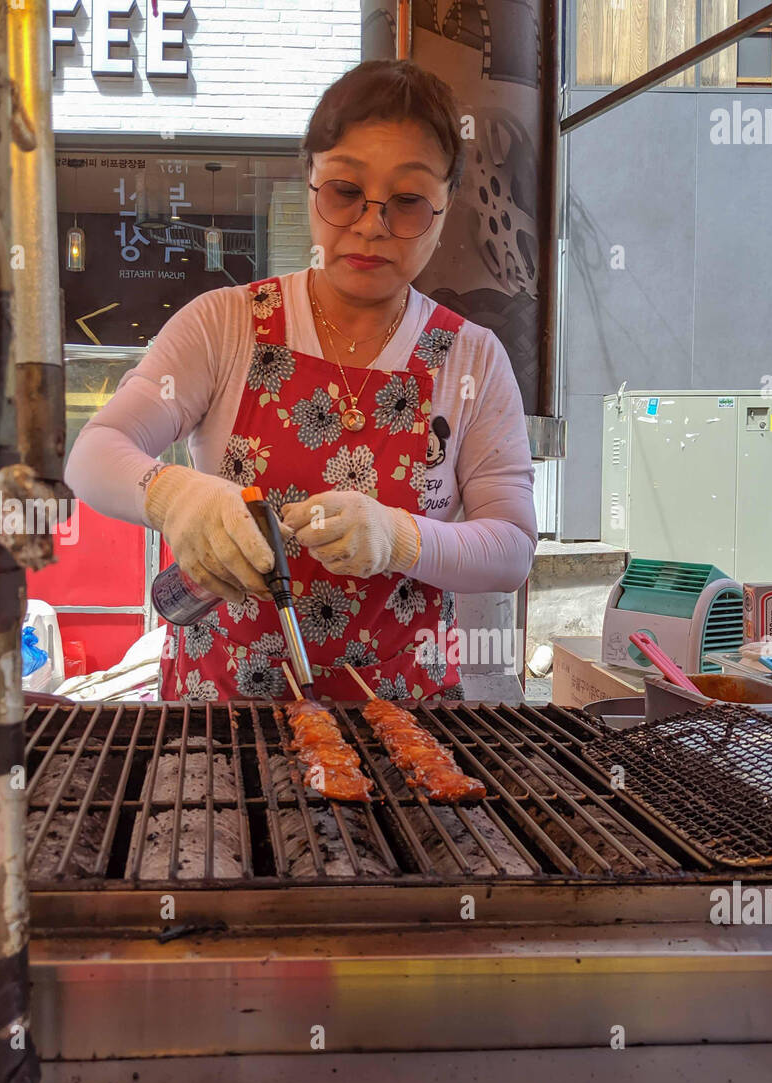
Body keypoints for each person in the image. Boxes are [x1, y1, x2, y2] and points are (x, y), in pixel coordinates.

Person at [65, 59, 537, 701]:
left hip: (399, 718)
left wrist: (399, 537)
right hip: (223, 716)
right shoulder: (224, 324)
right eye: (345, 191)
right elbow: (94, 454)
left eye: (407, 201)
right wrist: (178, 497)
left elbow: (510, 548)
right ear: (310, 180)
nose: (372, 225)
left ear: (444, 206)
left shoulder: (471, 360)